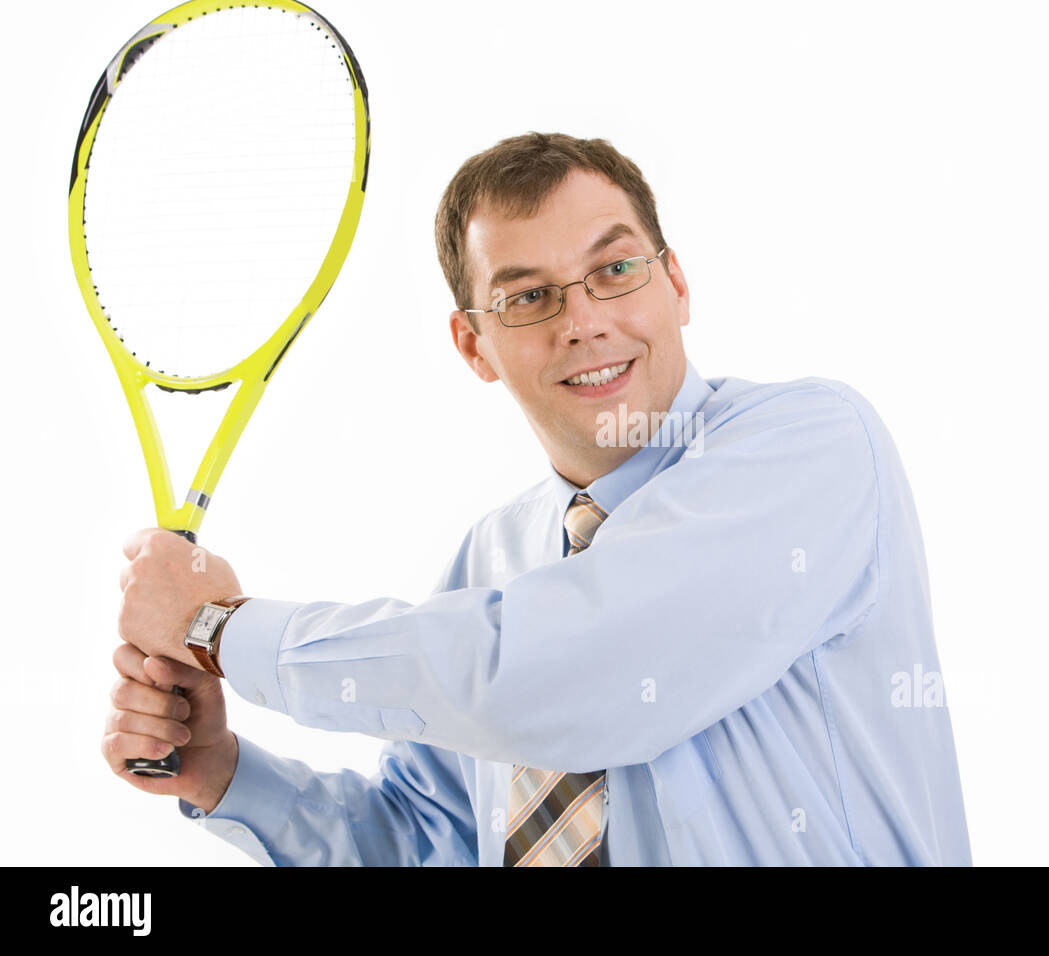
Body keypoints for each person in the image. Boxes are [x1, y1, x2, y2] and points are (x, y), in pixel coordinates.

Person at [105, 132, 973, 866]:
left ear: (675, 282)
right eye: (528, 297)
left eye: (616, 268)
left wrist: (220, 628)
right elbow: (422, 840)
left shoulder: (809, 447)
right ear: (472, 345)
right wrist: (223, 771)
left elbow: (574, 669)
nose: (584, 319)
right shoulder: (492, 560)